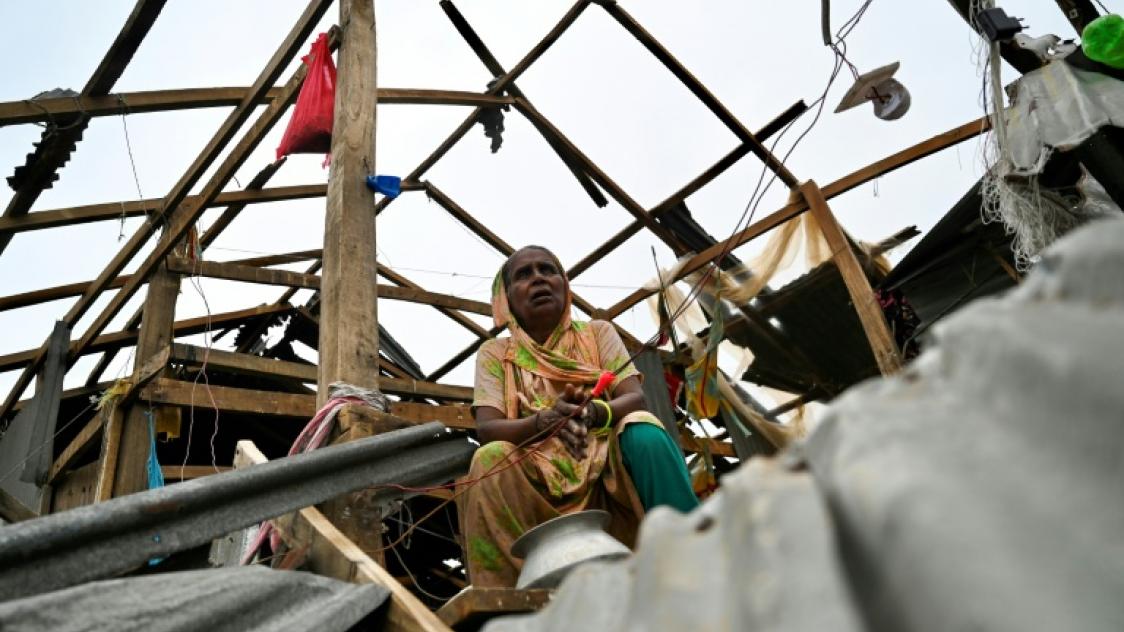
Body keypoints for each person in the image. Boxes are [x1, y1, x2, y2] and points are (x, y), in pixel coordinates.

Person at [457, 245, 699, 588]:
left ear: (564, 284)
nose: (538, 278)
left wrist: (595, 413)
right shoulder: (496, 353)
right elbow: (488, 427)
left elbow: (634, 398)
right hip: (534, 471)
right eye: (524, 275)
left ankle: (691, 550)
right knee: (489, 459)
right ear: (506, 297)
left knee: (642, 430)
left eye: (547, 270)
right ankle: (505, 601)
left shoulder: (598, 333)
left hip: (605, 463)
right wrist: (542, 423)